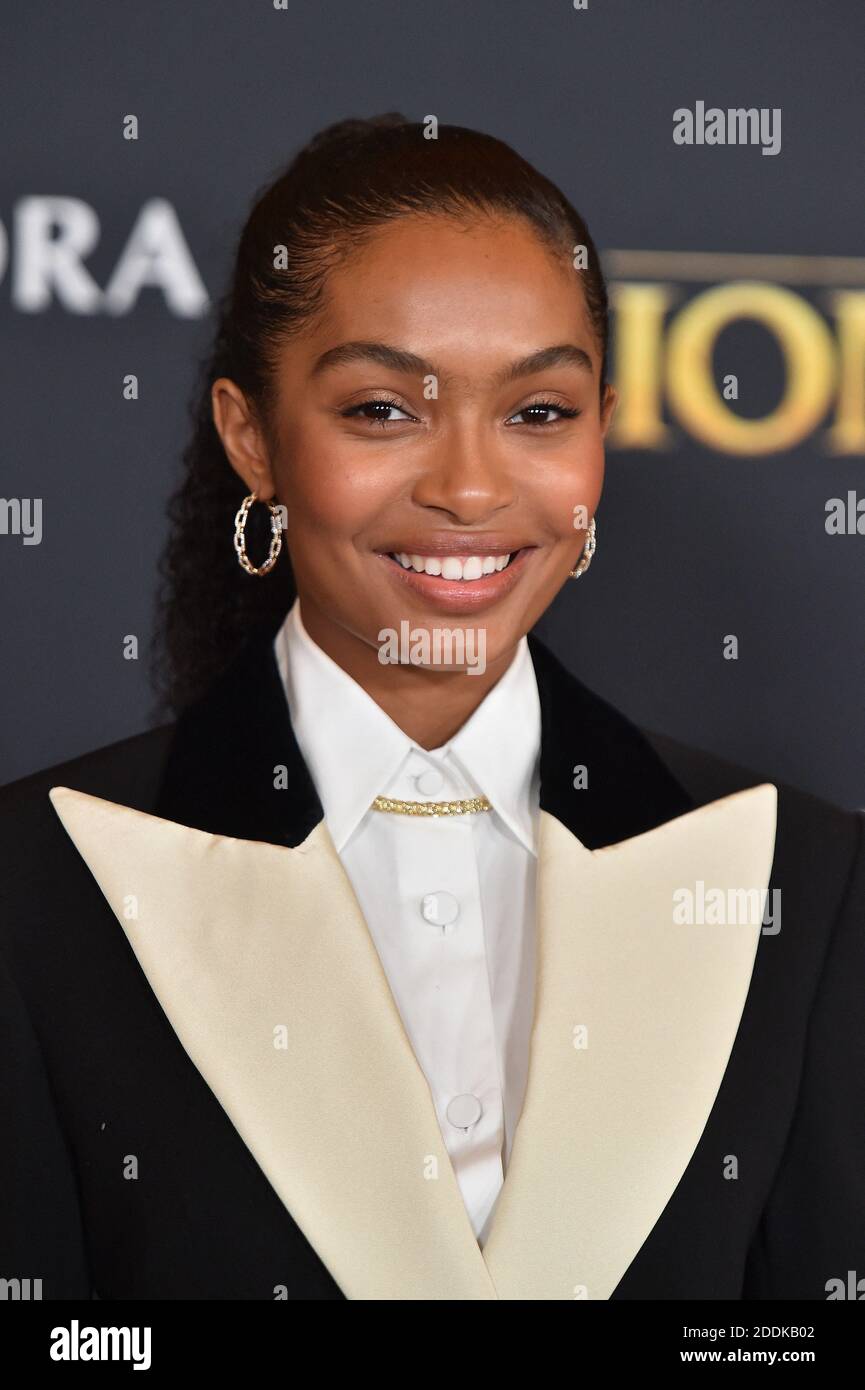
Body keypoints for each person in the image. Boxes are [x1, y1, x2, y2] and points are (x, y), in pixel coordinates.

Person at [1, 115, 863, 1302]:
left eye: (538, 414)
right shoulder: (38, 882)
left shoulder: (800, 882)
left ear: (602, 431)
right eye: (382, 411)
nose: (468, 486)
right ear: (252, 438)